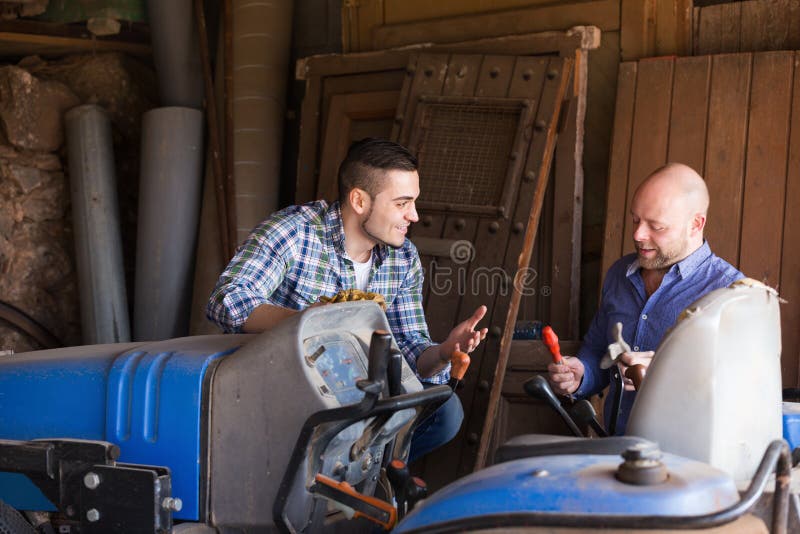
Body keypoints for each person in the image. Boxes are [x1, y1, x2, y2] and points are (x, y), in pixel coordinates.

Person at [207, 137, 488, 461]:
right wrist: (310, 321)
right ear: (359, 200)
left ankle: (359, 476)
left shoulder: (403, 257)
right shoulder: (294, 231)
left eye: (413, 202)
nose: (413, 215)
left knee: (444, 411)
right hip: (285, 388)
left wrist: (442, 352)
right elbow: (226, 300)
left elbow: (409, 350)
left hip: (358, 390)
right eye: (402, 203)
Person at [547, 163, 743, 434]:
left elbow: (741, 390)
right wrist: (581, 374)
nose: (638, 235)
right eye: (635, 220)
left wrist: (665, 377)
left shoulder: (731, 292)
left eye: (656, 226)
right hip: (615, 446)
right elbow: (599, 351)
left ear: (695, 224)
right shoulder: (619, 274)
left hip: (685, 454)